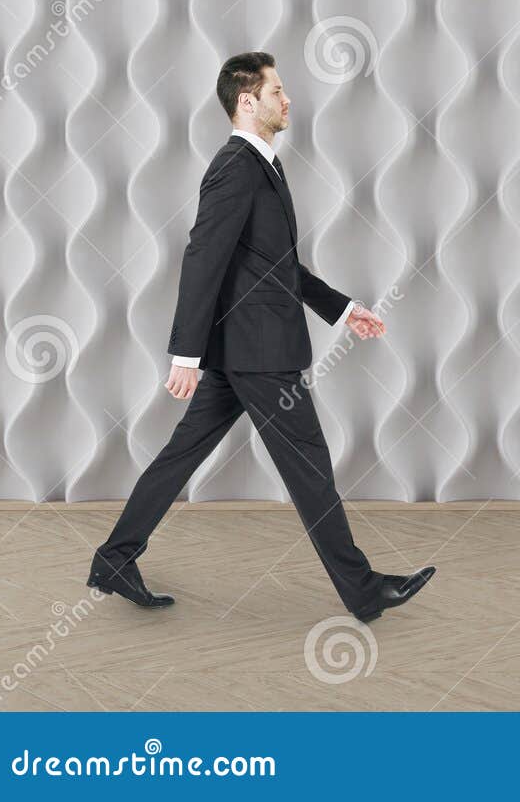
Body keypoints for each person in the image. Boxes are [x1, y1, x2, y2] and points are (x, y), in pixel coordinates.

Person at [88, 51, 435, 624]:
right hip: (259, 352)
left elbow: (275, 266)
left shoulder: (263, 166)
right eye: (277, 91)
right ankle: (364, 591)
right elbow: (202, 258)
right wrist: (185, 353)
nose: (287, 99)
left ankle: (114, 560)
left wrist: (342, 308)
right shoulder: (236, 167)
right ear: (247, 102)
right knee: (310, 465)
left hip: (243, 349)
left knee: (181, 454)